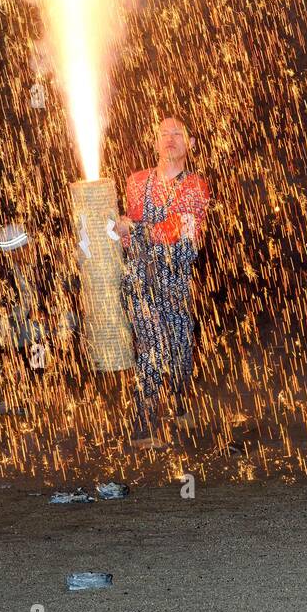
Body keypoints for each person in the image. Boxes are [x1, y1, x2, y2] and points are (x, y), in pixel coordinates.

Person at [116, 117, 210, 448]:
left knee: (182, 348)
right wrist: (119, 229)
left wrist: (135, 229)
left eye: (178, 133)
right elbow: (129, 239)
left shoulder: (196, 186)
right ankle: (143, 426)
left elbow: (176, 229)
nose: (170, 139)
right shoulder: (136, 181)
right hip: (141, 278)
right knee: (152, 346)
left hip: (176, 278)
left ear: (191, 143)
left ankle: (180, 398)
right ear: (154, 142)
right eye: (163, 134)